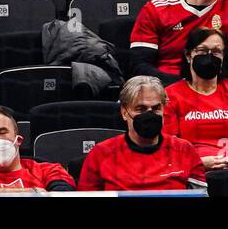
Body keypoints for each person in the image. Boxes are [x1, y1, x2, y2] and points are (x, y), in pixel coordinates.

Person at [164, 28, 228, 176]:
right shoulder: (171, 95)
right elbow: (168, 148)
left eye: (216, 52)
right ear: (188, 55)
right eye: (202, 51)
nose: (209, 56)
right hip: (195, 171)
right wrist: (199, 163)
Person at [77, 76, 205, 191]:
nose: (149, 114)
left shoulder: (185, 150)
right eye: (141, 109)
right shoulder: (101, 154)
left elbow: (201, 194)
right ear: (124, 112)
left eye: (156, 109)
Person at [0, 104, 76, 191]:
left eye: (2, 132)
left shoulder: (49, 170)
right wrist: (32, 192)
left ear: (18, 140)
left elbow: (63, 193)